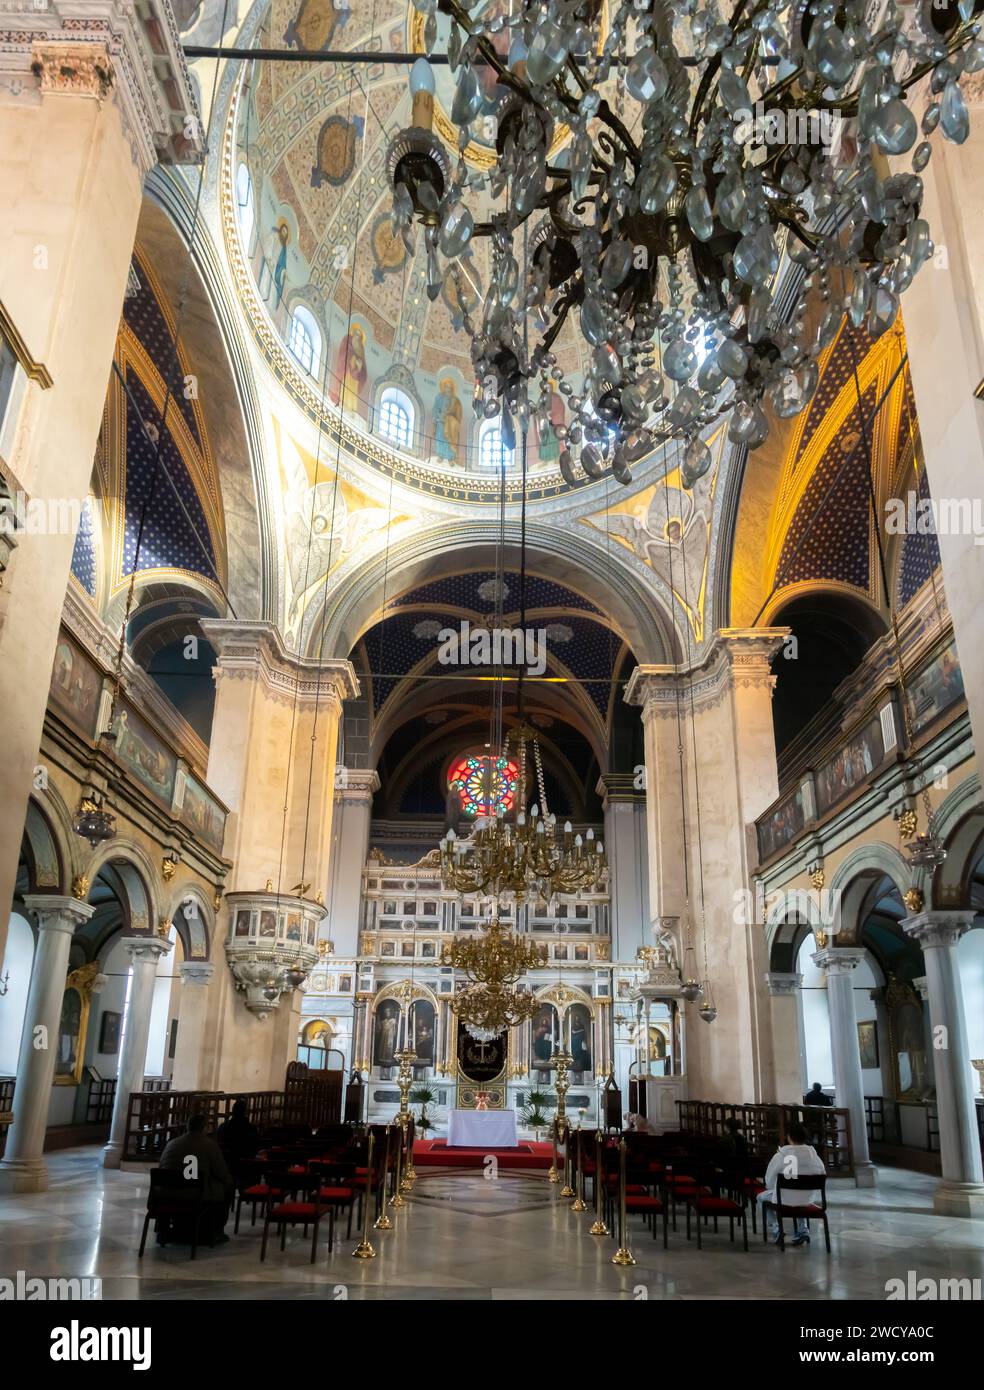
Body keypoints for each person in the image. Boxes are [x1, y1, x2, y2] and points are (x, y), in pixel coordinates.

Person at [158, 1112, 235, 1245]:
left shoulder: (172, 1143)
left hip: (166, 1194)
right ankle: (216, 1232)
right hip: (194, 1196)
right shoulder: (209, 1145)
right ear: (204, 1128)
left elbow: (161, 1167)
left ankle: (164, 1229)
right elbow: (222, 1174)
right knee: (229, 1186)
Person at [756, 1122, 826, 1246]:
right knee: (799, 1199)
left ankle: (777, 1228)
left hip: (784, 1199)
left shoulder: (782, 1155)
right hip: (807, 1199)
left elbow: (769, 1181)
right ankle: (803, 1228)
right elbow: (822, 1174)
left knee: (761, 1197)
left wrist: (773, 1187)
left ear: (789, 1137)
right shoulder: (814, 1156)